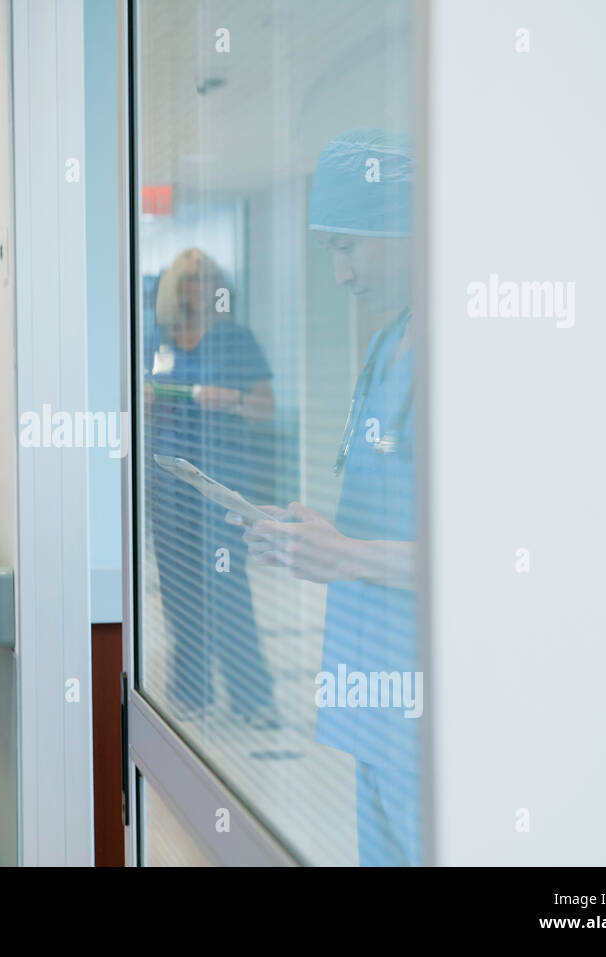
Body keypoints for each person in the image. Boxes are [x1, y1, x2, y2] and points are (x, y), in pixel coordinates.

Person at [234, 129, 421, 865]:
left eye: (352, 247)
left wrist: (344, 552)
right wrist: (314, 534)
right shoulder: (387, 345)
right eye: (330, 253)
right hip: (372, 693)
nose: (341, 274)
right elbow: (384, 511)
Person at [144, 248, 282, 730]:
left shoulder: (235, 340)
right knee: (179, 589)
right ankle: (190, 693)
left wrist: (234, 400)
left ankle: (252, 698)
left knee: (227, 587)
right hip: (167, 485)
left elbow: (265, 407)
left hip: (222, 482)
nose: (197, 289)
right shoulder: (154, 341)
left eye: (206, 280)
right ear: (173, 288)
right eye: (188, 280)